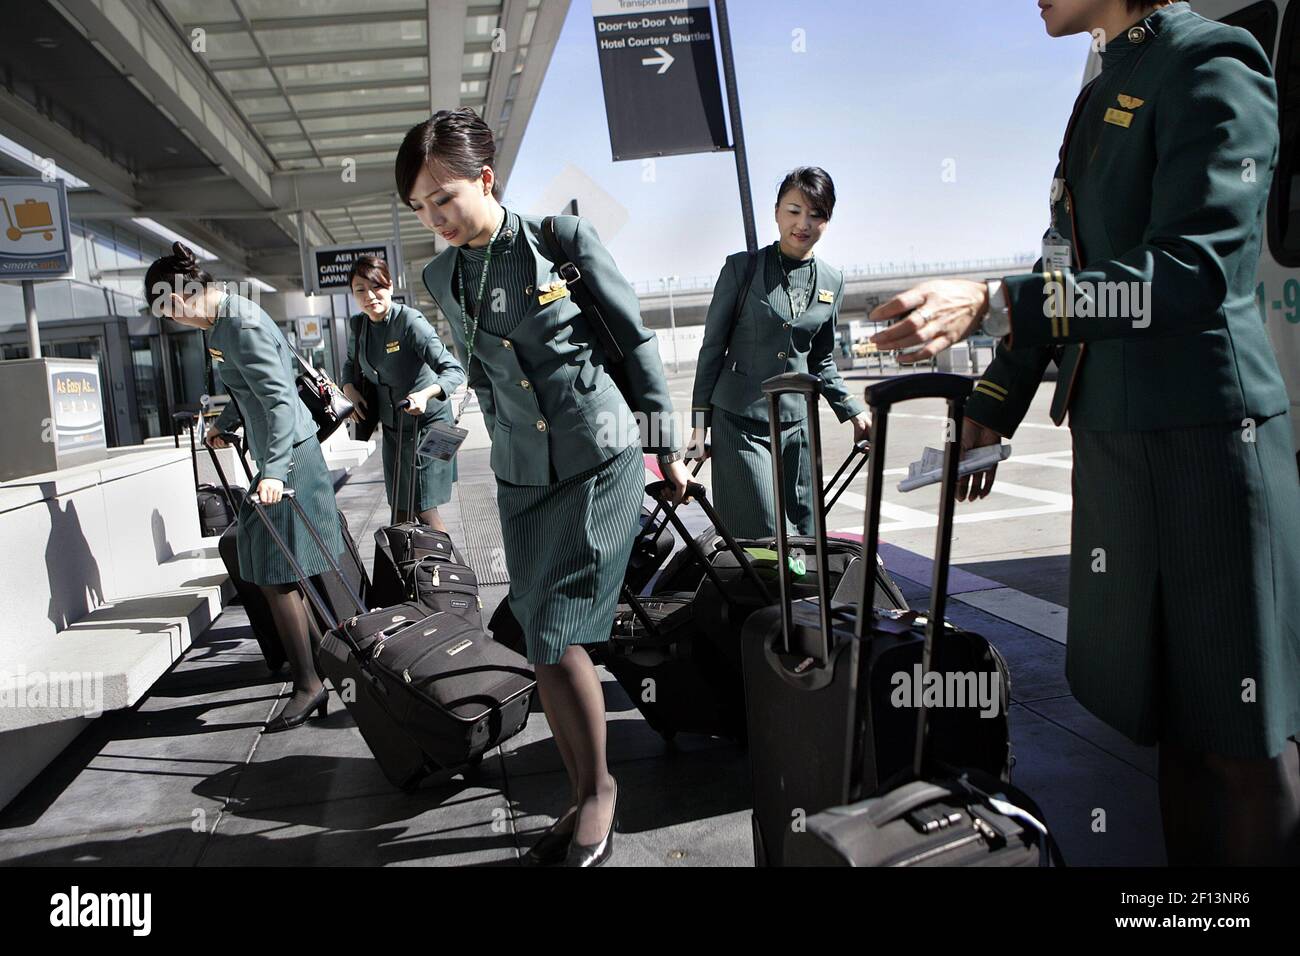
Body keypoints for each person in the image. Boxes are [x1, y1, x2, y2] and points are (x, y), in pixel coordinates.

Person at [869, 0, 1300, 865]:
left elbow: (1191, 273)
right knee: (1171, 726)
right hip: (1122, 447)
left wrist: (995, 302)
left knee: (1242, 737)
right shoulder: (1105, 87)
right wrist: (991, 403)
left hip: (1205, 446)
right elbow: (1068, 266)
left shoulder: (1213, 59)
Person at [396, 107, 691, 866]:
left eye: (446, 198)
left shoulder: (560, 242)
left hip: (599, 457)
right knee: (538, 636)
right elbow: (485, 377)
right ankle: (578, 793)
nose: (437, 219)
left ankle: (599, 795)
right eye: (423, 209)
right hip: (522, 477)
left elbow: (633, 340)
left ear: (486, 179)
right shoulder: (441, 275)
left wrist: (668, 445)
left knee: (559, 630)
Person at [145, 242, 345, 733]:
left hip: (290, 458)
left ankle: (309, 683)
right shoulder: (220, 324)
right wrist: (228, 421)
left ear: (184, 295)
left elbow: (278, 400)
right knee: (271, 567)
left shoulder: (243, 325)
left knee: (277, 573)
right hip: (277, 456)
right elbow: (246, 387)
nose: (173, 321)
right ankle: (324, 672)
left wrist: (274, 471)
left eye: (169, 310)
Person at [690, 167, 870, 537]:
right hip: (740, 420)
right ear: (776, 212)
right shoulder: (741, 268)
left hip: (797, 425)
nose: (803, 223)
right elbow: (712, 350)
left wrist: (852, 411)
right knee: (764, 527)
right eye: (794, 211)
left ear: (828, 220)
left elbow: (820, 360)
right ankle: (756, 595)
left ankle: (790, 596)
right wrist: (699, 426)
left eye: (816, 214)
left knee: (802, 529)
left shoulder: (833, 280)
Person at [340, 255, 465, 531]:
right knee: (400, 510)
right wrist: (349, 389)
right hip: (394, 431)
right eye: (360, 289)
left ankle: (452, 572)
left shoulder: (410, 321)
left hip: (432, 426)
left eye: (377, 287)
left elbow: (454, 371)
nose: (370, 296)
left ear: (391, 286)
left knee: (423, 507)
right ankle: (411, 573)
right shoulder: (359, 326)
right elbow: (350, 364)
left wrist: (425, 394)